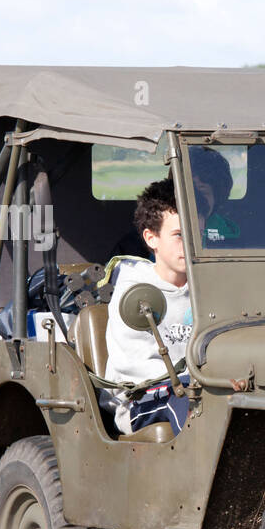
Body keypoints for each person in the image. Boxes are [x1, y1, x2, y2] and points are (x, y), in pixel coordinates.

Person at [104, 178, 194, 435]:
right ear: (151, 238)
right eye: (178, 235)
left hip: (196, 385)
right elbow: (135, 367)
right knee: (189, 403)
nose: (188, 244)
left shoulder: (209, 287)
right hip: (139, 399)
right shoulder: (133, 293)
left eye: (195, 234)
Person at [191, 146, 240, 246]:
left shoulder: (227, 233)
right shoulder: (162, 231)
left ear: (217, 195)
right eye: (190, 192)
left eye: (202, 193)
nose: (197, 200)